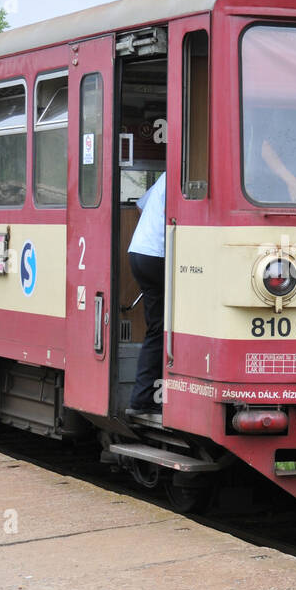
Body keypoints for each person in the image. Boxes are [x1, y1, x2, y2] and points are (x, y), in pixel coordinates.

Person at [127, 171, 167, 418]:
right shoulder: (187, 168)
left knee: (157, 328)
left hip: (140, 251)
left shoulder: (166, 174)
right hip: (159, 255)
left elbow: (141, 206)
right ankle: (154, 397)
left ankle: (143, 398)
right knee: (173, 326)